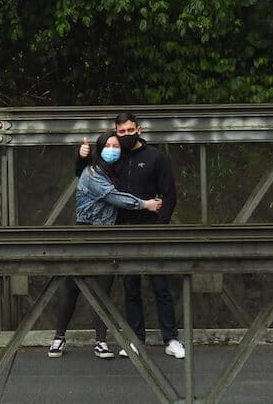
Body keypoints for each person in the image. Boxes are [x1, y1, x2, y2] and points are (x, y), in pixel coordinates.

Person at [76, 110, 185, 360]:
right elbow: (89, 174)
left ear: (139, 129)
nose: (125, 136)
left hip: (152, 230)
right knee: (130, 287)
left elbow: (169, 195)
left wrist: (161, 226)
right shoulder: (114, 157)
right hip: (122, 230)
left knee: (160, 285)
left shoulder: (156, 157)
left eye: (129, 130)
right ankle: (136, 339)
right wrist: (80, 157)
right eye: (121, 132)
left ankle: (171, 339)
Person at [48, 132, 163, 361]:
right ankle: (58, 338)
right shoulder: (92, 174)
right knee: (73, 288)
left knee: (103, 291)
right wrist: (145, 204)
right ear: (99, 150)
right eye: (107, 145)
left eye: (116, 146)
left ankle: (100, 341)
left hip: (106, 235)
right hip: (85, 232)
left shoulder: (115, 173)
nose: (112, 149)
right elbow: (114, 197)